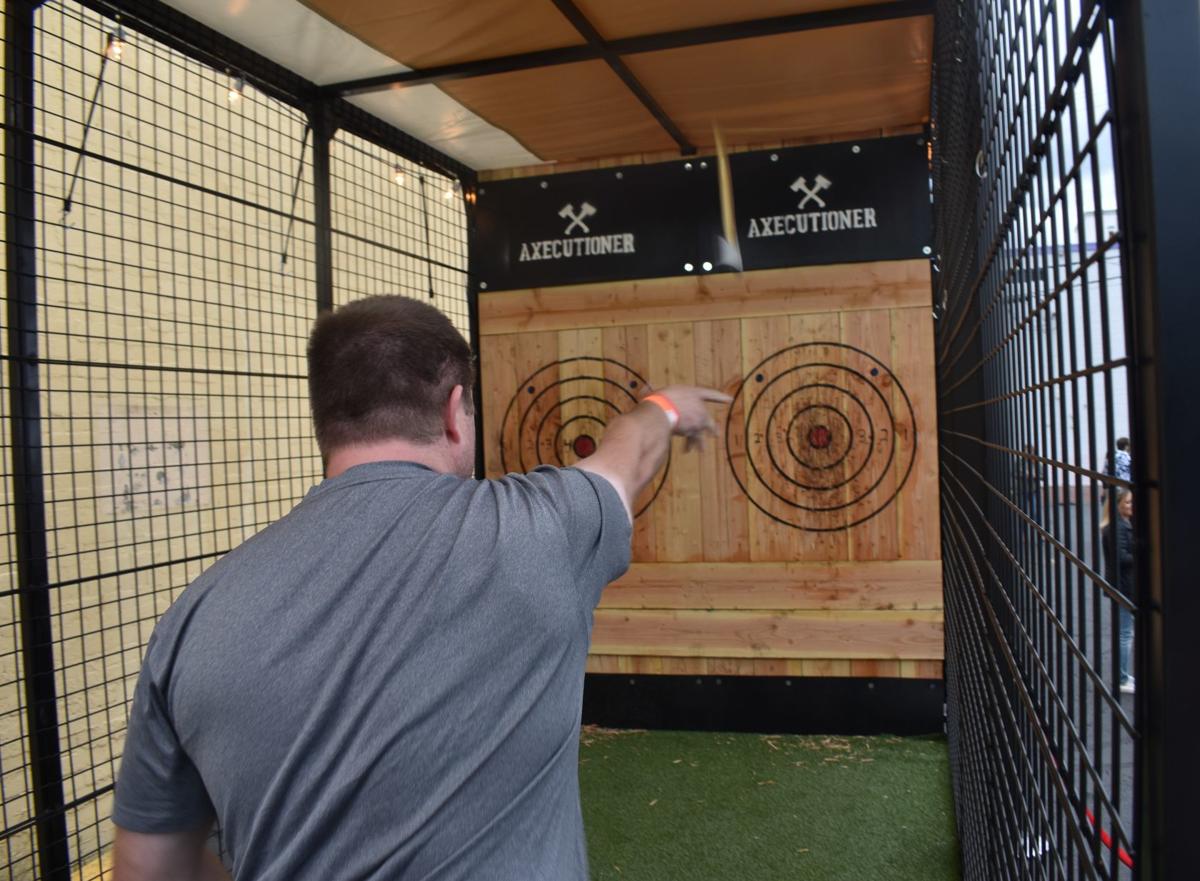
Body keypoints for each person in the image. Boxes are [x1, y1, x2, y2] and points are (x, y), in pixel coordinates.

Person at [110, 295, 731, 881]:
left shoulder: (194, 615)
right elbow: (629, 453)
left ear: (326, 424)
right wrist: (666, 407)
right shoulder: (543, 527)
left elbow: (149, 865)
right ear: (452, 411)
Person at [1100, 488, 1135, 694]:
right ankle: (1121, 677)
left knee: (1125, 632)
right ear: (1119, 504)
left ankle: (1123, 674)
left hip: (1122, 584)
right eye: (1128, 502)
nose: (1131, 506)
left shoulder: (1120, 524)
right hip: (1123, 585)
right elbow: (1121, 558)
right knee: (1124, 634)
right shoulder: (1118, 527)